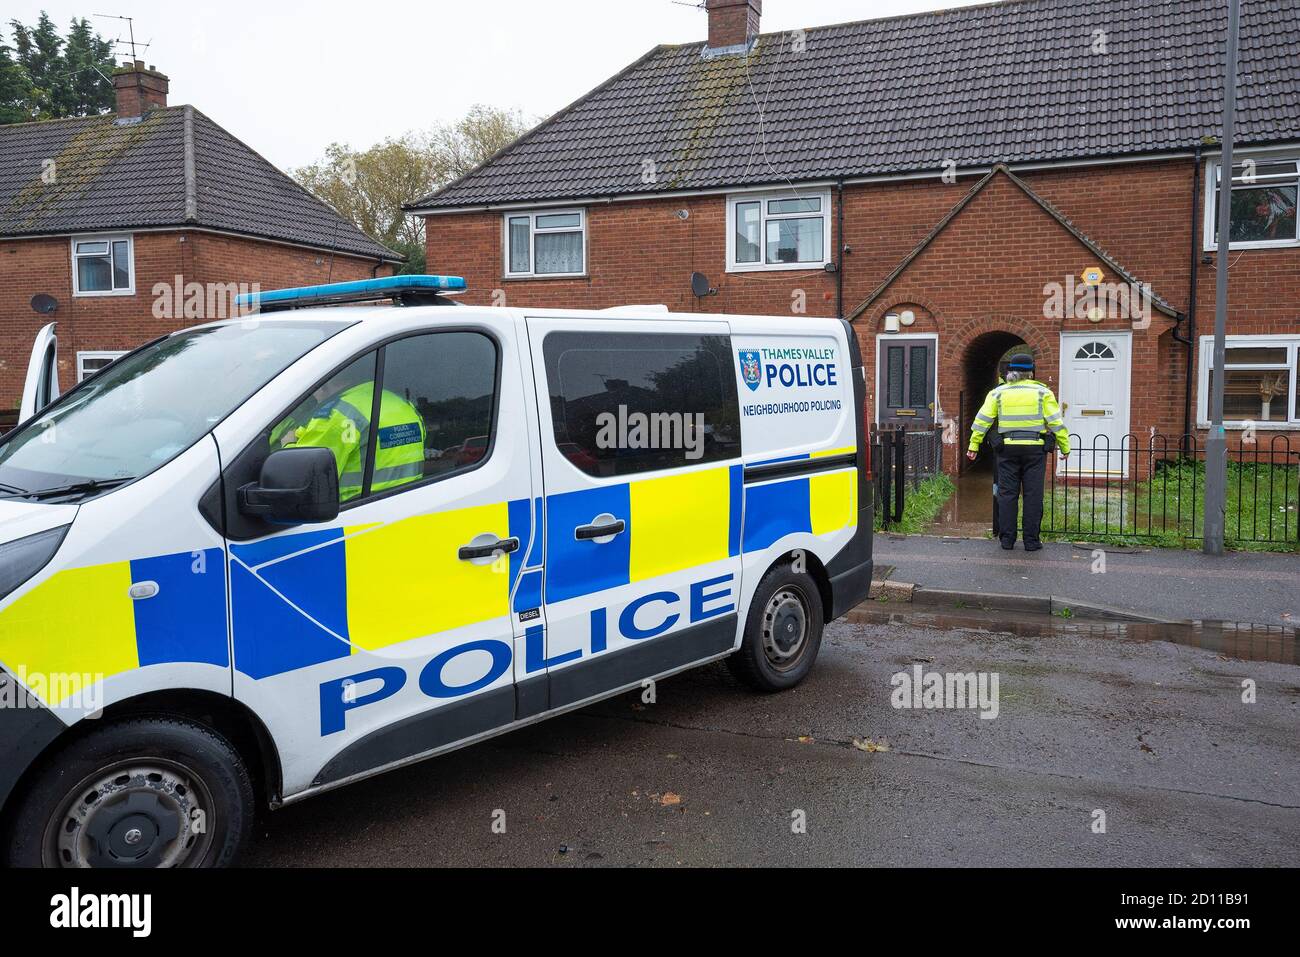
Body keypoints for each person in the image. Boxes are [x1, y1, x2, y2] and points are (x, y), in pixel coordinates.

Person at [966, 354, 1069, 551]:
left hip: (1007, 449)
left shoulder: (998, 393)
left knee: (1007, 495)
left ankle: (1007, 540)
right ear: (1031, 372)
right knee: (1033, 495)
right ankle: (1031, 542)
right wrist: (1065, 446)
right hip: (1035, 450)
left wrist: (973, 445)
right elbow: (1056, 422)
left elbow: (982, 420)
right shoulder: (1043, 392)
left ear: (1010, 372)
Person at [275, 373, 426, 502]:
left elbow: (301, 482)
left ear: (321, 384)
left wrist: (288, 444)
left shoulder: (337, 414)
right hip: (409, 510)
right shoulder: (401, 404)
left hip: (353, 517)